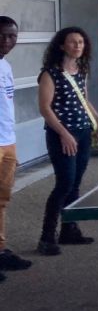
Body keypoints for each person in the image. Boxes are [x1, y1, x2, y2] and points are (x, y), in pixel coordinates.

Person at [37, 27, 98, 256]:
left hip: (83, 132)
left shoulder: (80, 70)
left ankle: (69, 230)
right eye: (73, 42)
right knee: (64, 183)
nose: (78, 46)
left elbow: (84, 100)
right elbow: (45, 108)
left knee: (75, 183)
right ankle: (47, 237)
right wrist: (64, 134)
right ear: (61, 45)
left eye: (81, 42)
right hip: (61, 135)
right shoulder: (50, 73)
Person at [0, 16, 32, 279]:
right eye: (3, 35)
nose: (8, 41)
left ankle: (0, 250)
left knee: (2, 200)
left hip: (7, 141)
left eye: (12, 36)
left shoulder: (6, 66)